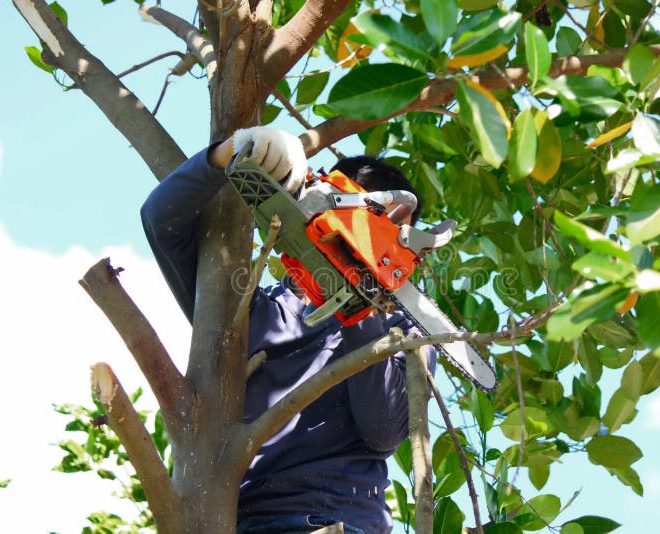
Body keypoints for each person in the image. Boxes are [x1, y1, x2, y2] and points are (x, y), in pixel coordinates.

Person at [140, 126, 437, 534]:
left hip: (337, 520)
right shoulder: (250, 308)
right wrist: (228, 154)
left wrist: (360, 307)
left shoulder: (404, 328)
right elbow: (161, 221)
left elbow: (384, 429)